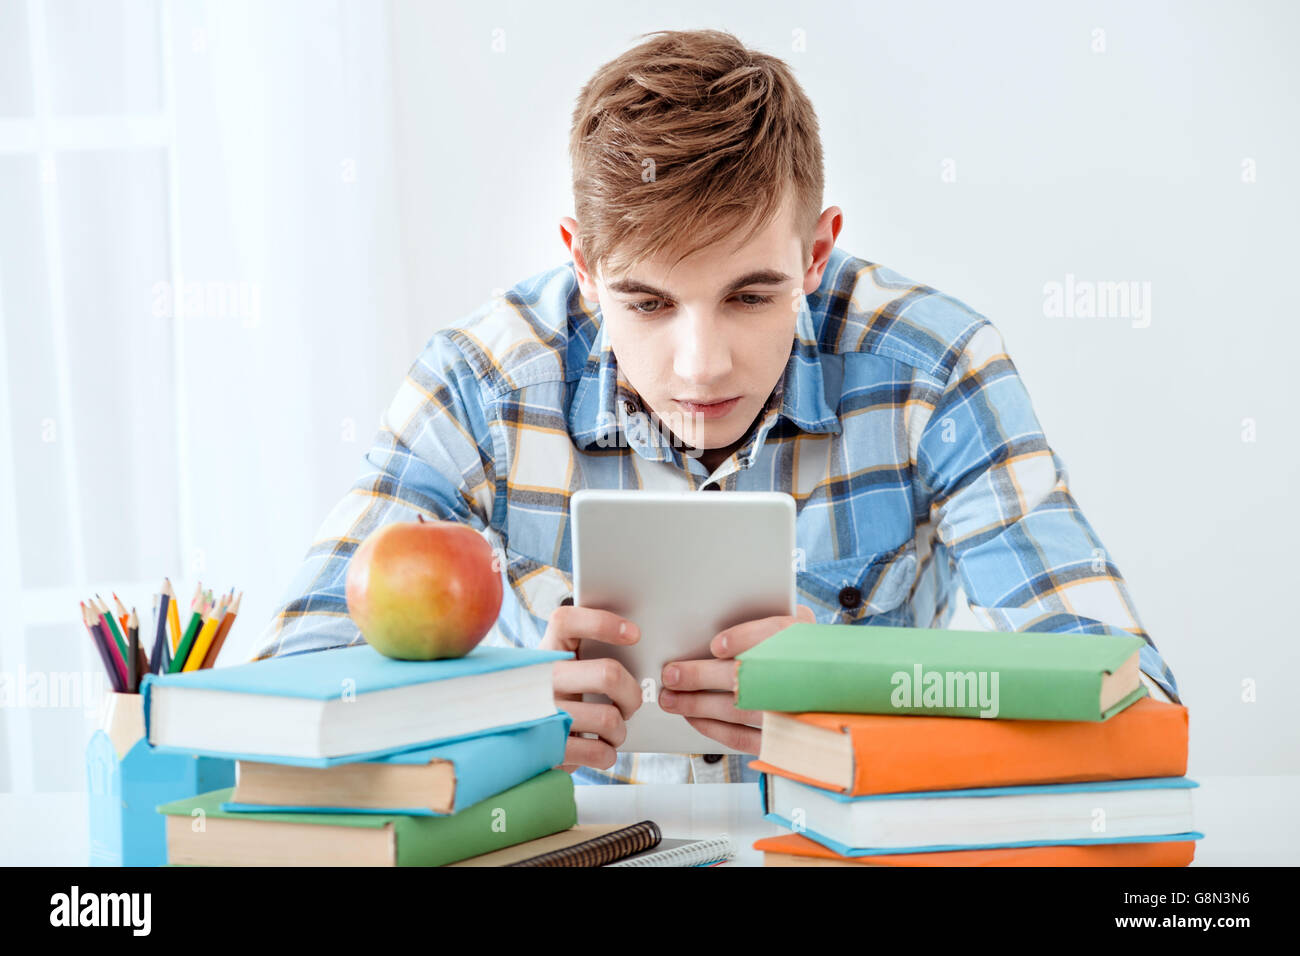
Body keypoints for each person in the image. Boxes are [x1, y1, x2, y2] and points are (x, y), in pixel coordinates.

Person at [253, 28, 1180, 786]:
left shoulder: (932, 371)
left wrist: (859, 685)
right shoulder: (480, 383)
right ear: (583, 264)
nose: (700, 368)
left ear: (816, 257)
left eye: (750, 294)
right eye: (648, 303)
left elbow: (1137, 704)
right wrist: (497, 709)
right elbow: (291, 698)